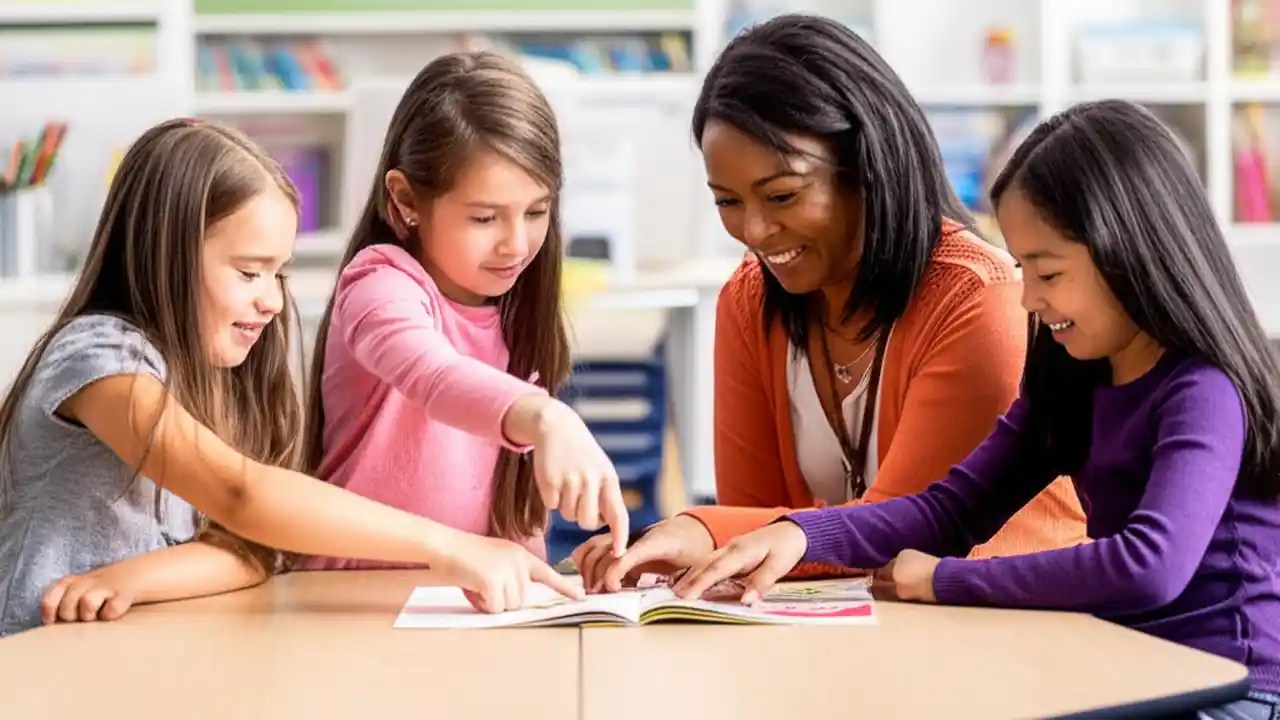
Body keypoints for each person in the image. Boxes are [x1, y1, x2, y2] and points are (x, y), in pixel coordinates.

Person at [670, 100, 1280, 719]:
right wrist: (798, 534)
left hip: (1231, 690)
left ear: (1130, 253)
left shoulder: (1203, 388)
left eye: (1047, 272)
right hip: (1133, 672)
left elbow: (1149, 567)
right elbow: (952, 508)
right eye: (1023, 268)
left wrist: (942, 581)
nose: (1029, 299)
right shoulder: (1072, 377)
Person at [0, 118, 579, 636]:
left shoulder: (217, 375)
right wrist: (450, 547)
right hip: (39, 659)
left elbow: (253, 547)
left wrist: (141, 576)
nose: (273, 301)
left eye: (279, 274)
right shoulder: (99, 359)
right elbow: (241, 495)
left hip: (131, 657)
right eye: (250, 272)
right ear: (165, 254)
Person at [574, 13, 1086, 591]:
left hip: (1016, 636)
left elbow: (908, 530)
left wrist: (704, 529)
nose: (757, 230)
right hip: (874, 628)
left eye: (783, 195)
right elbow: (753, 536)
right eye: (728, 202)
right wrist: (707, 542)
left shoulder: (982, 305)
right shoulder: (748, 301)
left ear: (866, 168)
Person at [292, 51, 628, 574]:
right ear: (406, 200)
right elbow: (434, 374)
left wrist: (559, 575)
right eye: (485, 217)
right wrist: (545, 416)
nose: (516, 243)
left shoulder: (519, 311)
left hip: (467, 612)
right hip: (352, 608)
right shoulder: (378, 284)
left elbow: (508, 530)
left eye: (537, 211)